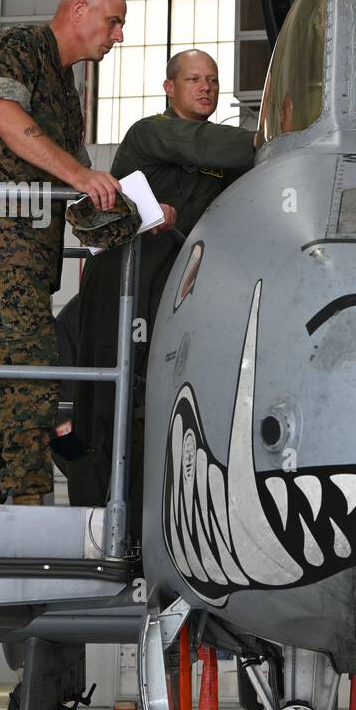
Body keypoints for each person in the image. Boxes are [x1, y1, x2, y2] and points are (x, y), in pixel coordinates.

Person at [0, 0, 136, 505]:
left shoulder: (66, 92)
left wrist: (135, 215)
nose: (117, 36)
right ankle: (28, 499)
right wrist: (79, 177)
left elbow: (71, 182)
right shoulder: (19, 48)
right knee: (32, 370)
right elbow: (4, 115)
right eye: (112, 21)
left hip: (21, 247)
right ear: (79, 10)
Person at [64, 49, 254, 527]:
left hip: (176, 284)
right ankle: (99, 516)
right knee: (110, 401)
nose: (206, 88)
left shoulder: (221, 148)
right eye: (193, 80)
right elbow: (220, 149)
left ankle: (153, 520)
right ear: (170, 88)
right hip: (125, 282)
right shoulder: (152, 132)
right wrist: (278, 135)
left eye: (212, 80)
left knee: (162, 400)